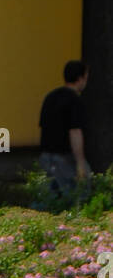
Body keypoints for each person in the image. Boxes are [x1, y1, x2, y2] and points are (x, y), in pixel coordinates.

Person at [38, 60, 91, 200]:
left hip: (46, 156)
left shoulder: (50, 97)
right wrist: (80, 163)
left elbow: (43, 126)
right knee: (77, 195)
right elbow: (75, 132)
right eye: (86, 77)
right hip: (65, 158)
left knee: (49, 198)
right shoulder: (75, 101)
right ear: (80, 78)